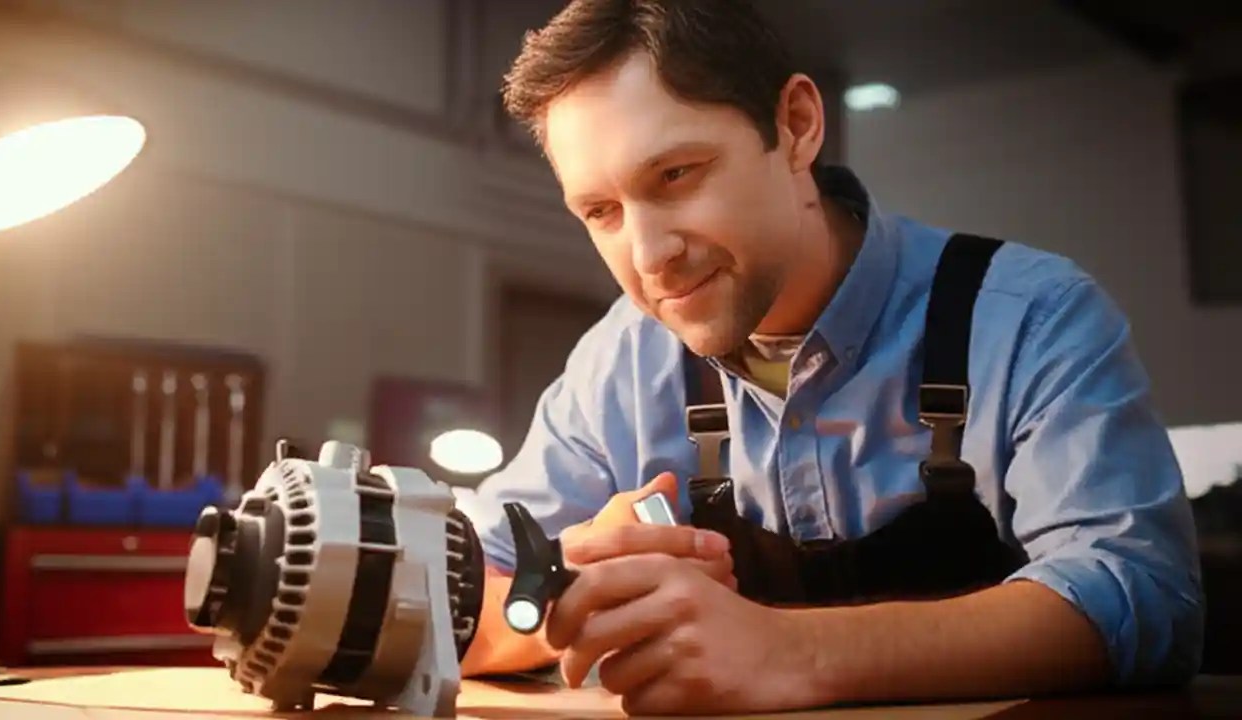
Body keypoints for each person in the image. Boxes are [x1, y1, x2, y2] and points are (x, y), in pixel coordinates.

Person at [450, 0, 1204, 715]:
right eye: (602, 212)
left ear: (798, 126)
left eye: (676, 175)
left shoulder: (1031, 316)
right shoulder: (620, 361)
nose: (649, 257)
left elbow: (1140, 593)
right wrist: (568, 601)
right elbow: (459, 592)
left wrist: (791, 653)